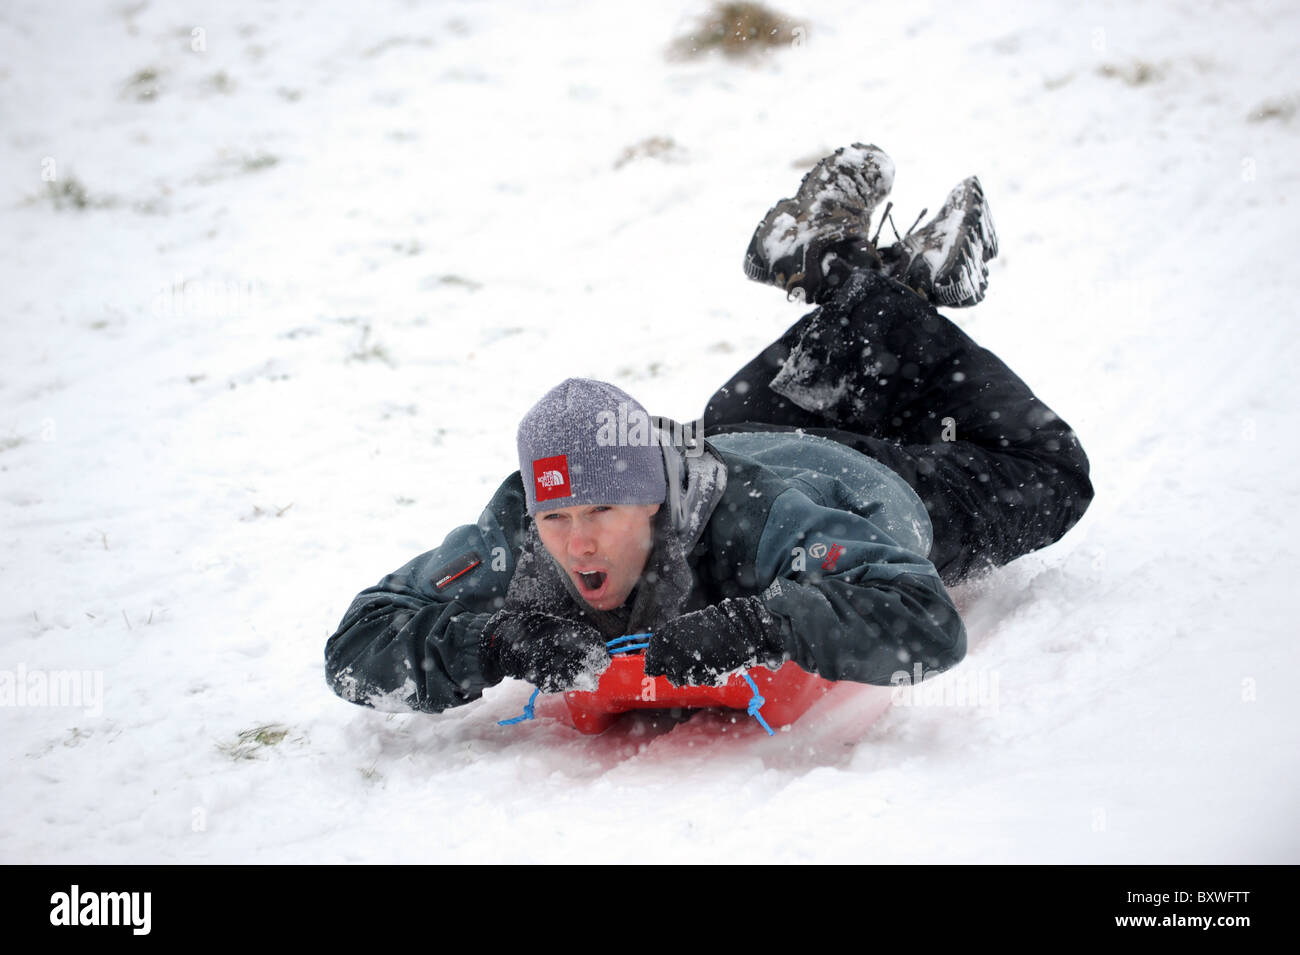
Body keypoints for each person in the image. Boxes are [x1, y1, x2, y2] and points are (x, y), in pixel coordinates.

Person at [323, 143, 1093, 715]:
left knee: (1054, 472)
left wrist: (767, 622)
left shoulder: (755, 521)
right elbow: (358, 641)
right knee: (818, 372)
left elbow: (924, 621)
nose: (577, 542)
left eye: (600, 511)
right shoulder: (519, 539)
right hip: (745, 427)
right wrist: (488, 643)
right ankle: (865, 276)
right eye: (556, 515)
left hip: (858, 477)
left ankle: (884, 291)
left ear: (652, 499)